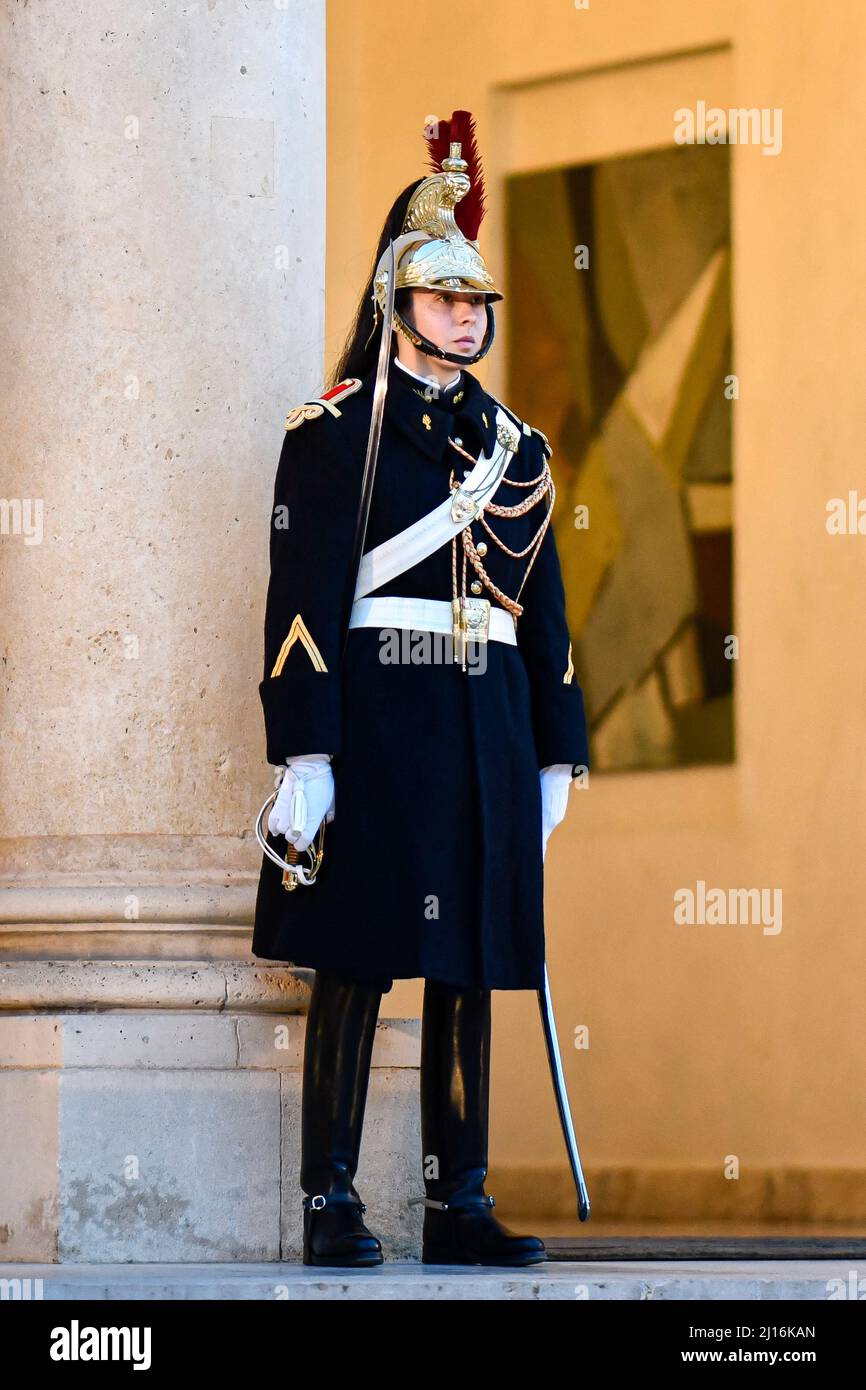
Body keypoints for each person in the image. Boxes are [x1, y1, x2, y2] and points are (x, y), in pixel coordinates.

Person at [251, 111, 590, 1267]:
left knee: (469, 960)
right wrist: (306, 751)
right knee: (356, 956)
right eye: (444, 298)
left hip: (484, 723)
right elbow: (302, 599)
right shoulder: (334, 434)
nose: (465, 316)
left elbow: (543, 615)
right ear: (397, 304)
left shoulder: (516, 447)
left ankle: (459, 1203)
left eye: (474, 300)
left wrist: (556, 750)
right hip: (380, 722)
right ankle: (330, 1199)